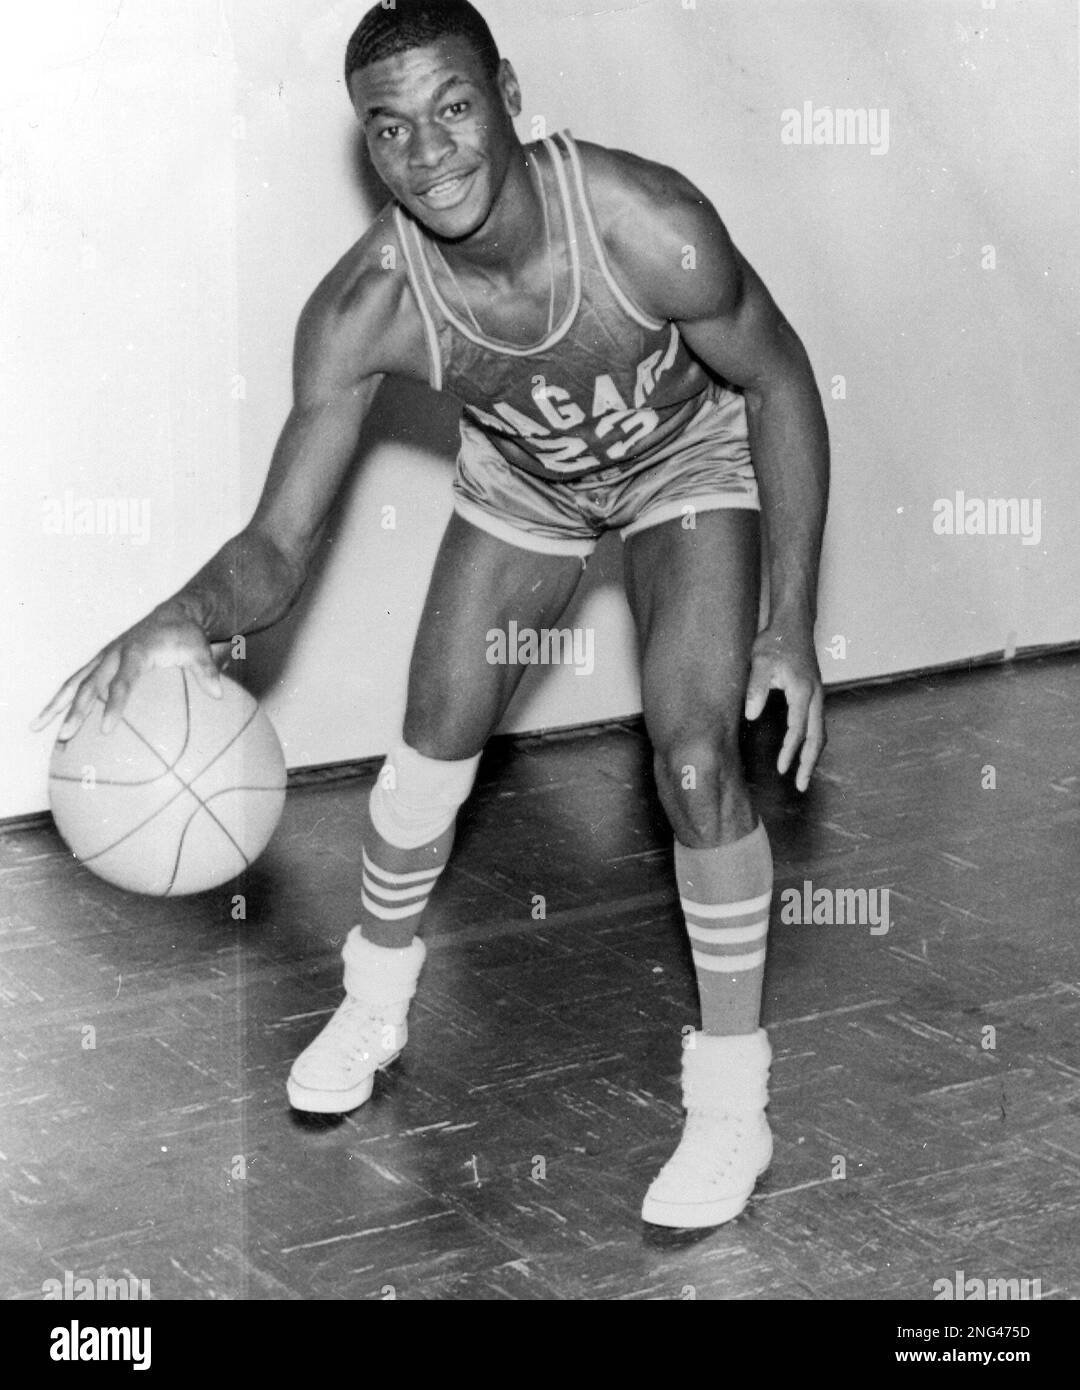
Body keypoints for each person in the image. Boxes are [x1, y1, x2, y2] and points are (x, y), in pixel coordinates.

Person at [34, 0, 829, 1229]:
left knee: (691, 756)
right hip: (526, 487)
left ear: (507, 97)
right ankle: (373, 994)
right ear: (369, 147)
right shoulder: (365, 309)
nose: (430, 150)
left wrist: (790, 623)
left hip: (689, 467)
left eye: (453, 108)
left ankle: (732, 1102)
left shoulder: (647, 225)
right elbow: (277, 546)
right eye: (391, 128)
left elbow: (779, 379)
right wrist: (178, 615)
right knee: (426, 754)